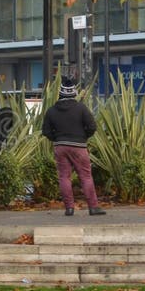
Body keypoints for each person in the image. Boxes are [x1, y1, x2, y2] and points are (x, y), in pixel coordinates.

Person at [42, 76, 105, 216]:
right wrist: (83, 137)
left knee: (64, 177)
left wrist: (57, 139)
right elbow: (92, 126)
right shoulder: (81, 108)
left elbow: (45, 131)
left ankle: (69, 208)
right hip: (79, 146)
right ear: (74, 94)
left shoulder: (51, 110)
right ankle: (93, 207)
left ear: (60, 94)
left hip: (60, 146)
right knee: (86, 176)